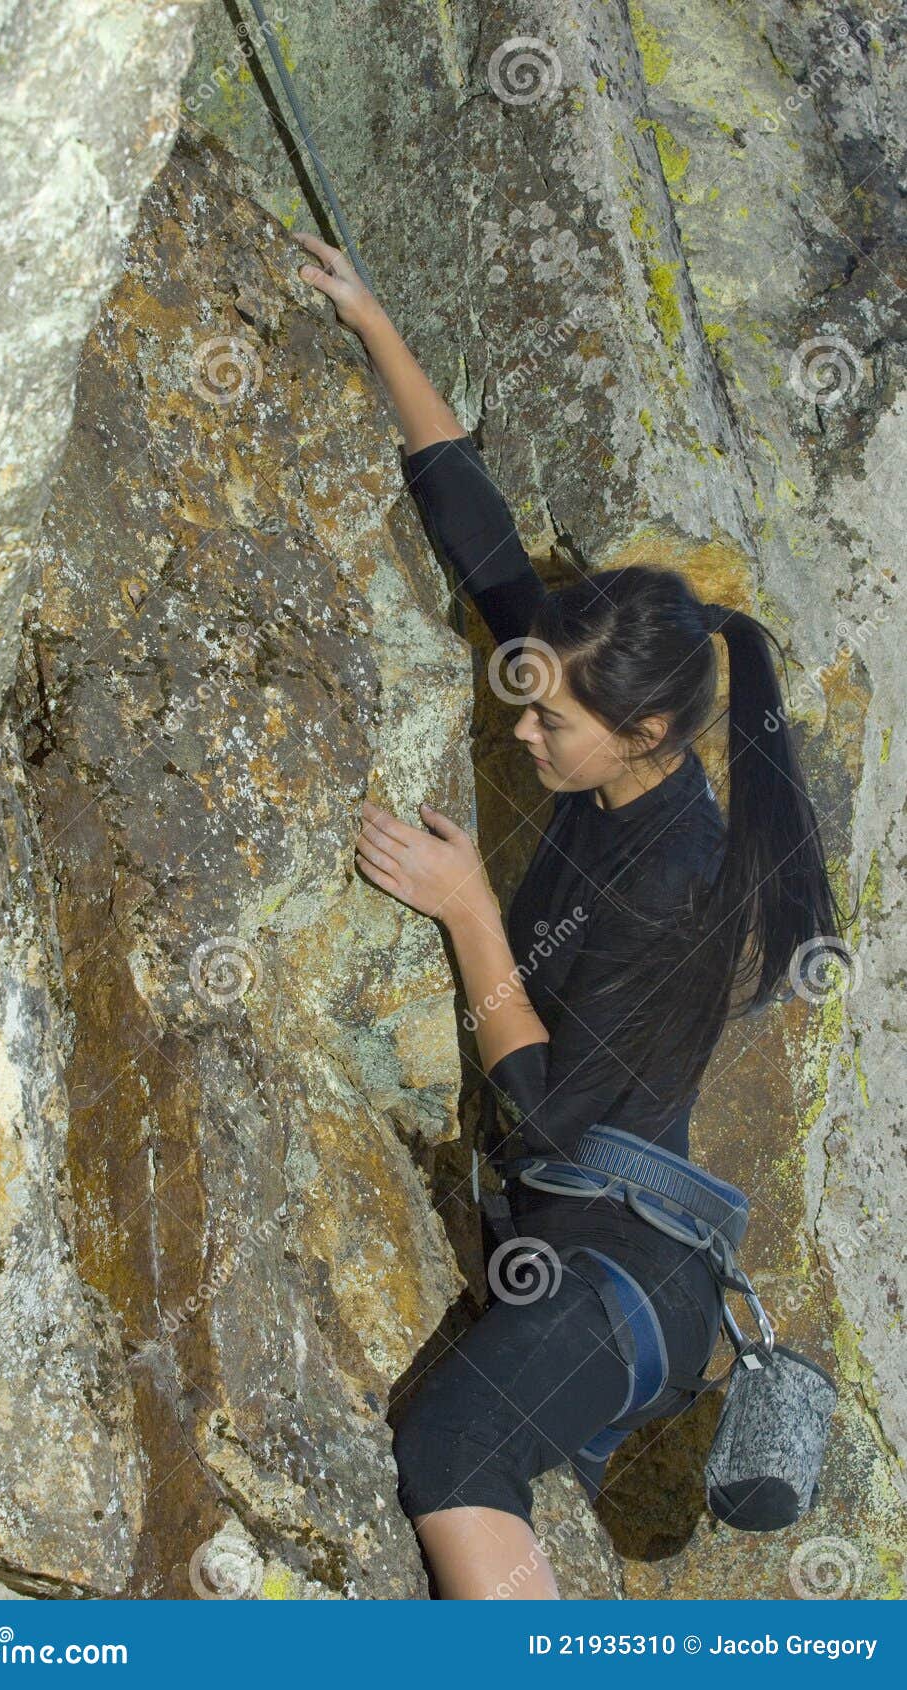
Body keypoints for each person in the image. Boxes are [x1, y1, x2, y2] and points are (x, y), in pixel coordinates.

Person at [293, 231, 847, 1600]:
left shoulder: (680, 885)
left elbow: (546, 1106)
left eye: (551, 717)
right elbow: (480, 542)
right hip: (572, 1243)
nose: (523, 724)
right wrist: (374, 323)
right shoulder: (620, 743)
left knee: (450, 1449)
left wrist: (472, 908)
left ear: (645, 731)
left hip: (618, 1277)